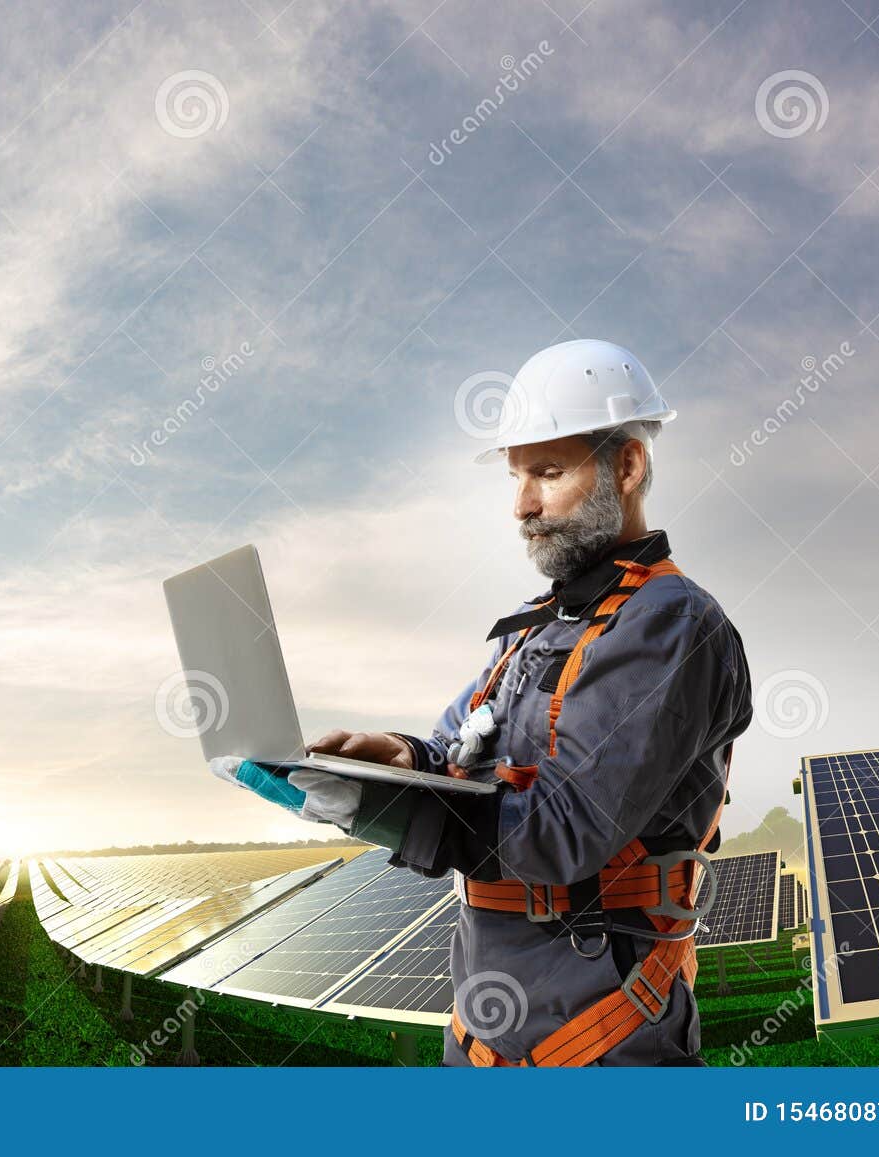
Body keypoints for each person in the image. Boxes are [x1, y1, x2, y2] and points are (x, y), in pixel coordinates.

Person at [209, 339, 752, 1066]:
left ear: (626, 466)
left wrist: (382, 808)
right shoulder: (534, 628)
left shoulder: (670, 623)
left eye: (549, 472)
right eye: (516, 476)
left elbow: (565, 830)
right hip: (481, 1040)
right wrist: (403, 757)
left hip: (606, 1042)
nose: (523, 505)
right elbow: (459, 749)